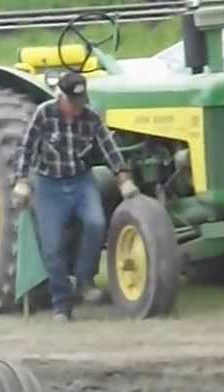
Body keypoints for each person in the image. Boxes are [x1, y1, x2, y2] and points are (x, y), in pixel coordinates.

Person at [11, 71, 139, 321]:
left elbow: (107, 146)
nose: (77, 107)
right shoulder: (44, 114)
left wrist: (123, 177)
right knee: (53, 246)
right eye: (73, 102)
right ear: (61, 97)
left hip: (81, 181)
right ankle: (62, 305)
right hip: (49, 185)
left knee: (96, 223)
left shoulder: (90, 117)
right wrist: (22, 181)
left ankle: (83, 279)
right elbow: (26, 147)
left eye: (81, 101)